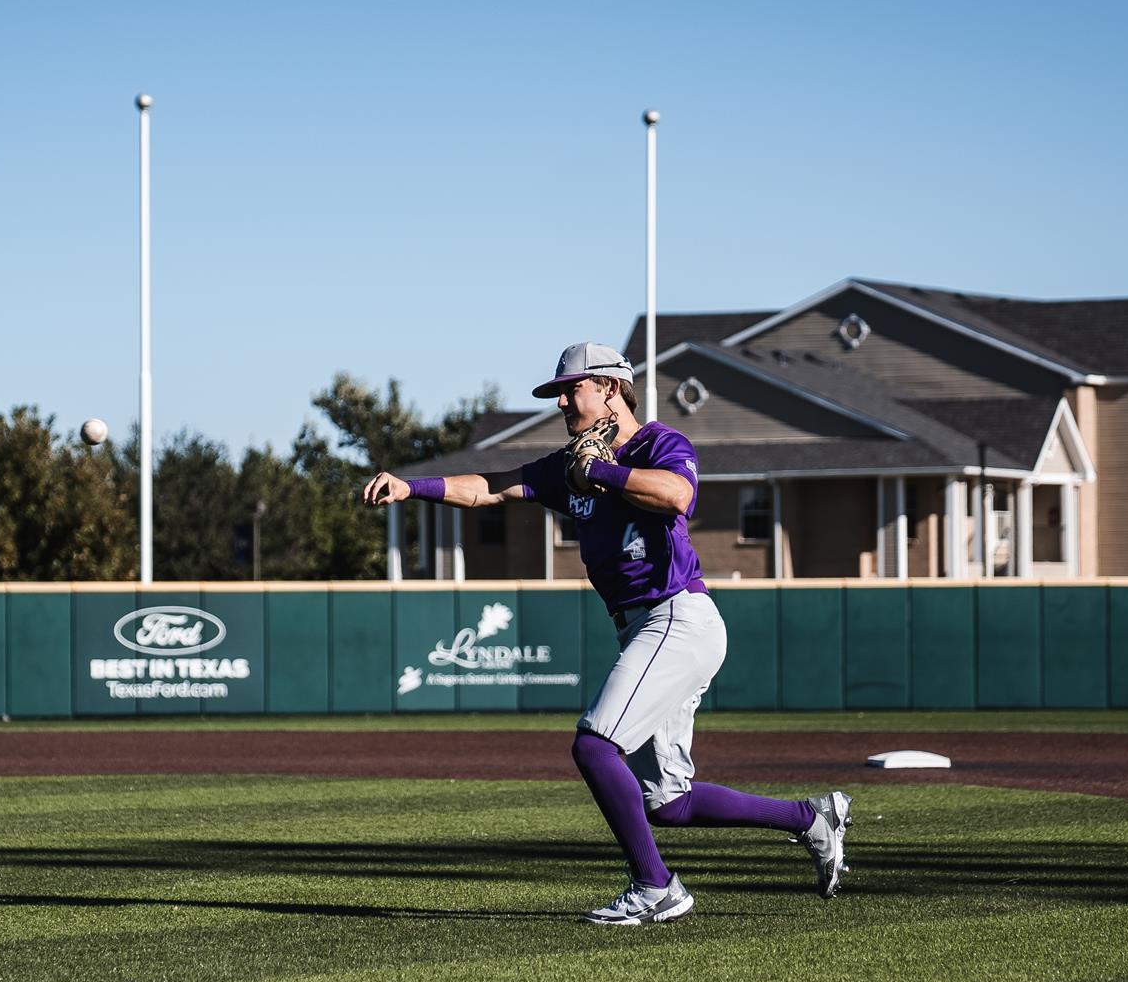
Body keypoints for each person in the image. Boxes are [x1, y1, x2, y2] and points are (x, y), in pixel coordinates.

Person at [362, 343, 852, 925]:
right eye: (560, 393)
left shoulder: (659, 444)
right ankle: (811, 818)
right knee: (669, 803)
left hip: (676, 615)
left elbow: (677, 495)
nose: (562, 402)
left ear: (611, 390)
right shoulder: (566, 467)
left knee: (594, 746)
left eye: (572, 390)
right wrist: (410, 487)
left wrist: (603, 472)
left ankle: (656, 886)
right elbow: (490, 486)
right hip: (644, 627)